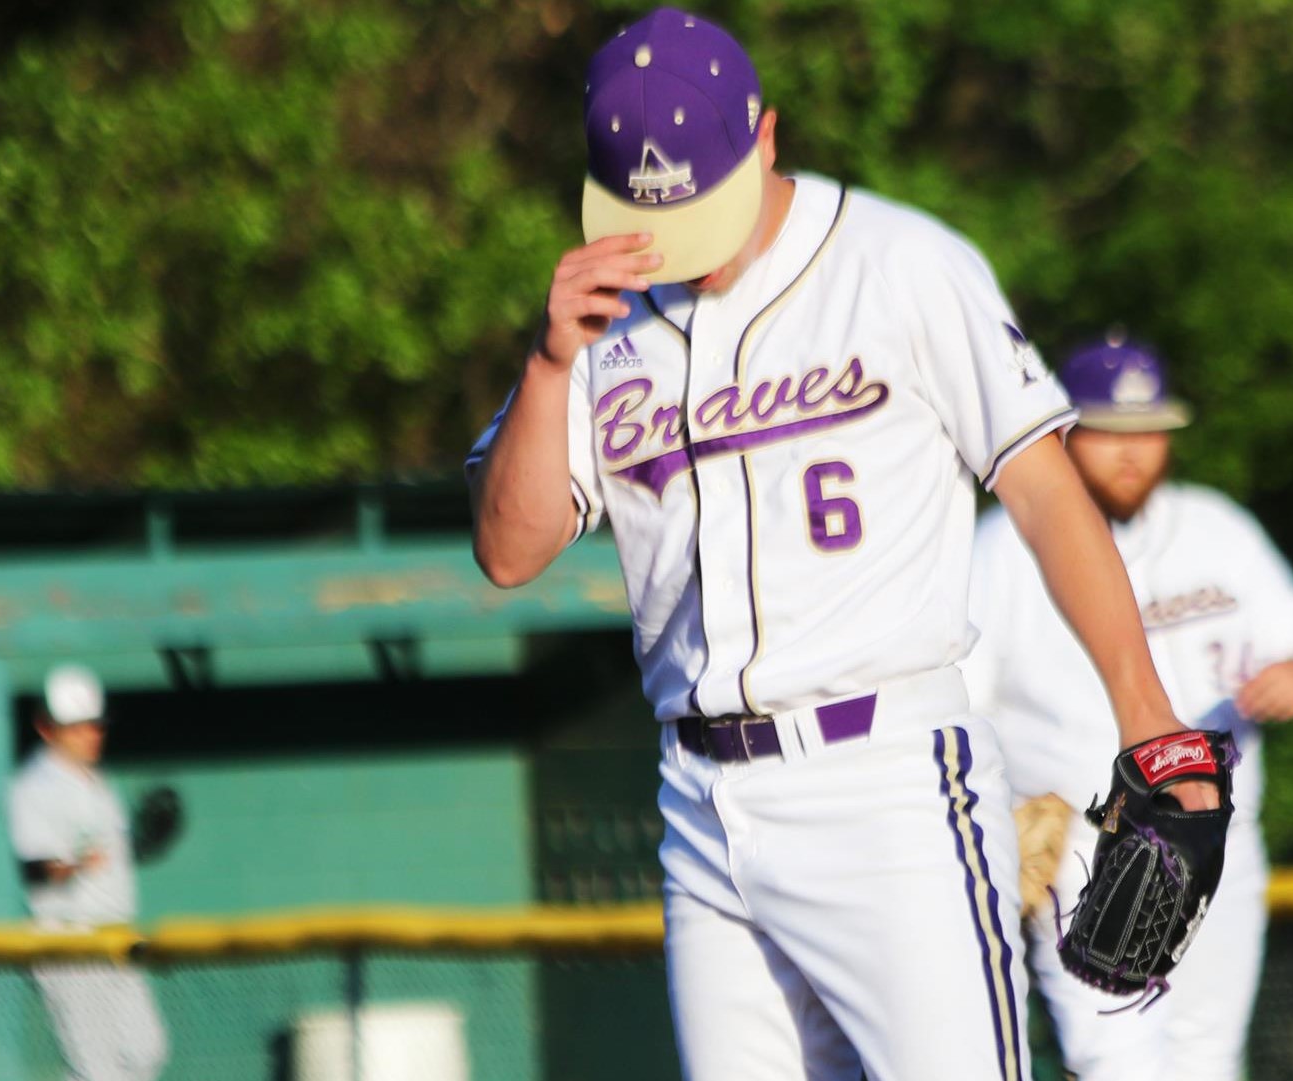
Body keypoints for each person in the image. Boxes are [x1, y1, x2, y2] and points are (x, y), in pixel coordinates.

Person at [465, 9, 1217, 1080]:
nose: (678, 238)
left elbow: (1047, 494)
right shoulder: (599, 324)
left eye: (700, 203)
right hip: (701, 802)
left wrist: (1150, 723)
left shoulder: (899, 263)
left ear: (764, 139)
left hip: (886, 784)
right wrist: (545, 368)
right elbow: (507, 549)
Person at [964, 333, 1293, 1081]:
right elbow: (961, 704)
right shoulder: (1003, 550)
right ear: (1061, 432)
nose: (1132, 451)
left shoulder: (1217, 529)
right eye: (1109, 430)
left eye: (1148, 430)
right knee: (1118, 1063)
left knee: (1207, 1060)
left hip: (1218, 845)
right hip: (1083, 848)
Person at [5, 664, 168, 1081]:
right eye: (75, 727)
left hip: (116, 936)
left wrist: (141, 846)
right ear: (46, 727)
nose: (89, 735)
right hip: (69, 942)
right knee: (98, 1070)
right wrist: (73, 866)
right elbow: (37, 867)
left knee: (146, 1051)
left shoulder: (99, 784)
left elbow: (108, 859)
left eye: (94, 725)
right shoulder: (33, 786)